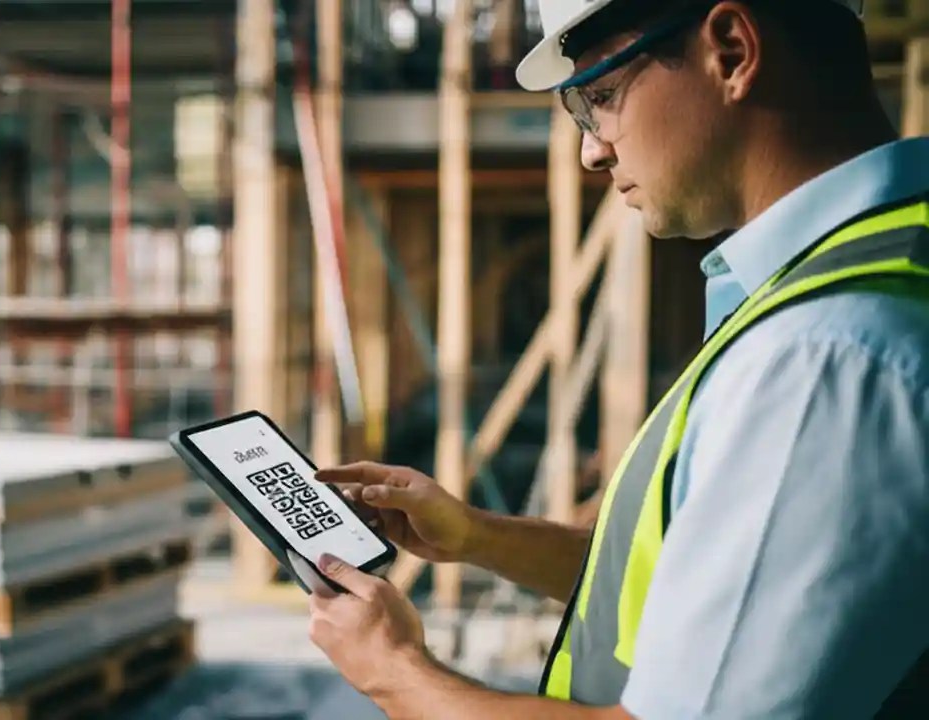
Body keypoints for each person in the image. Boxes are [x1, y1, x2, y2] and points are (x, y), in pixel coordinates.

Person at [303, 0, 929, 717]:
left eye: (599, 96)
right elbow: (698, 588)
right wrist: (475, 535)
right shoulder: (848, 285)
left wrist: (394, 671)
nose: (591, 151)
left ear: (731, 51)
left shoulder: (825, 359)